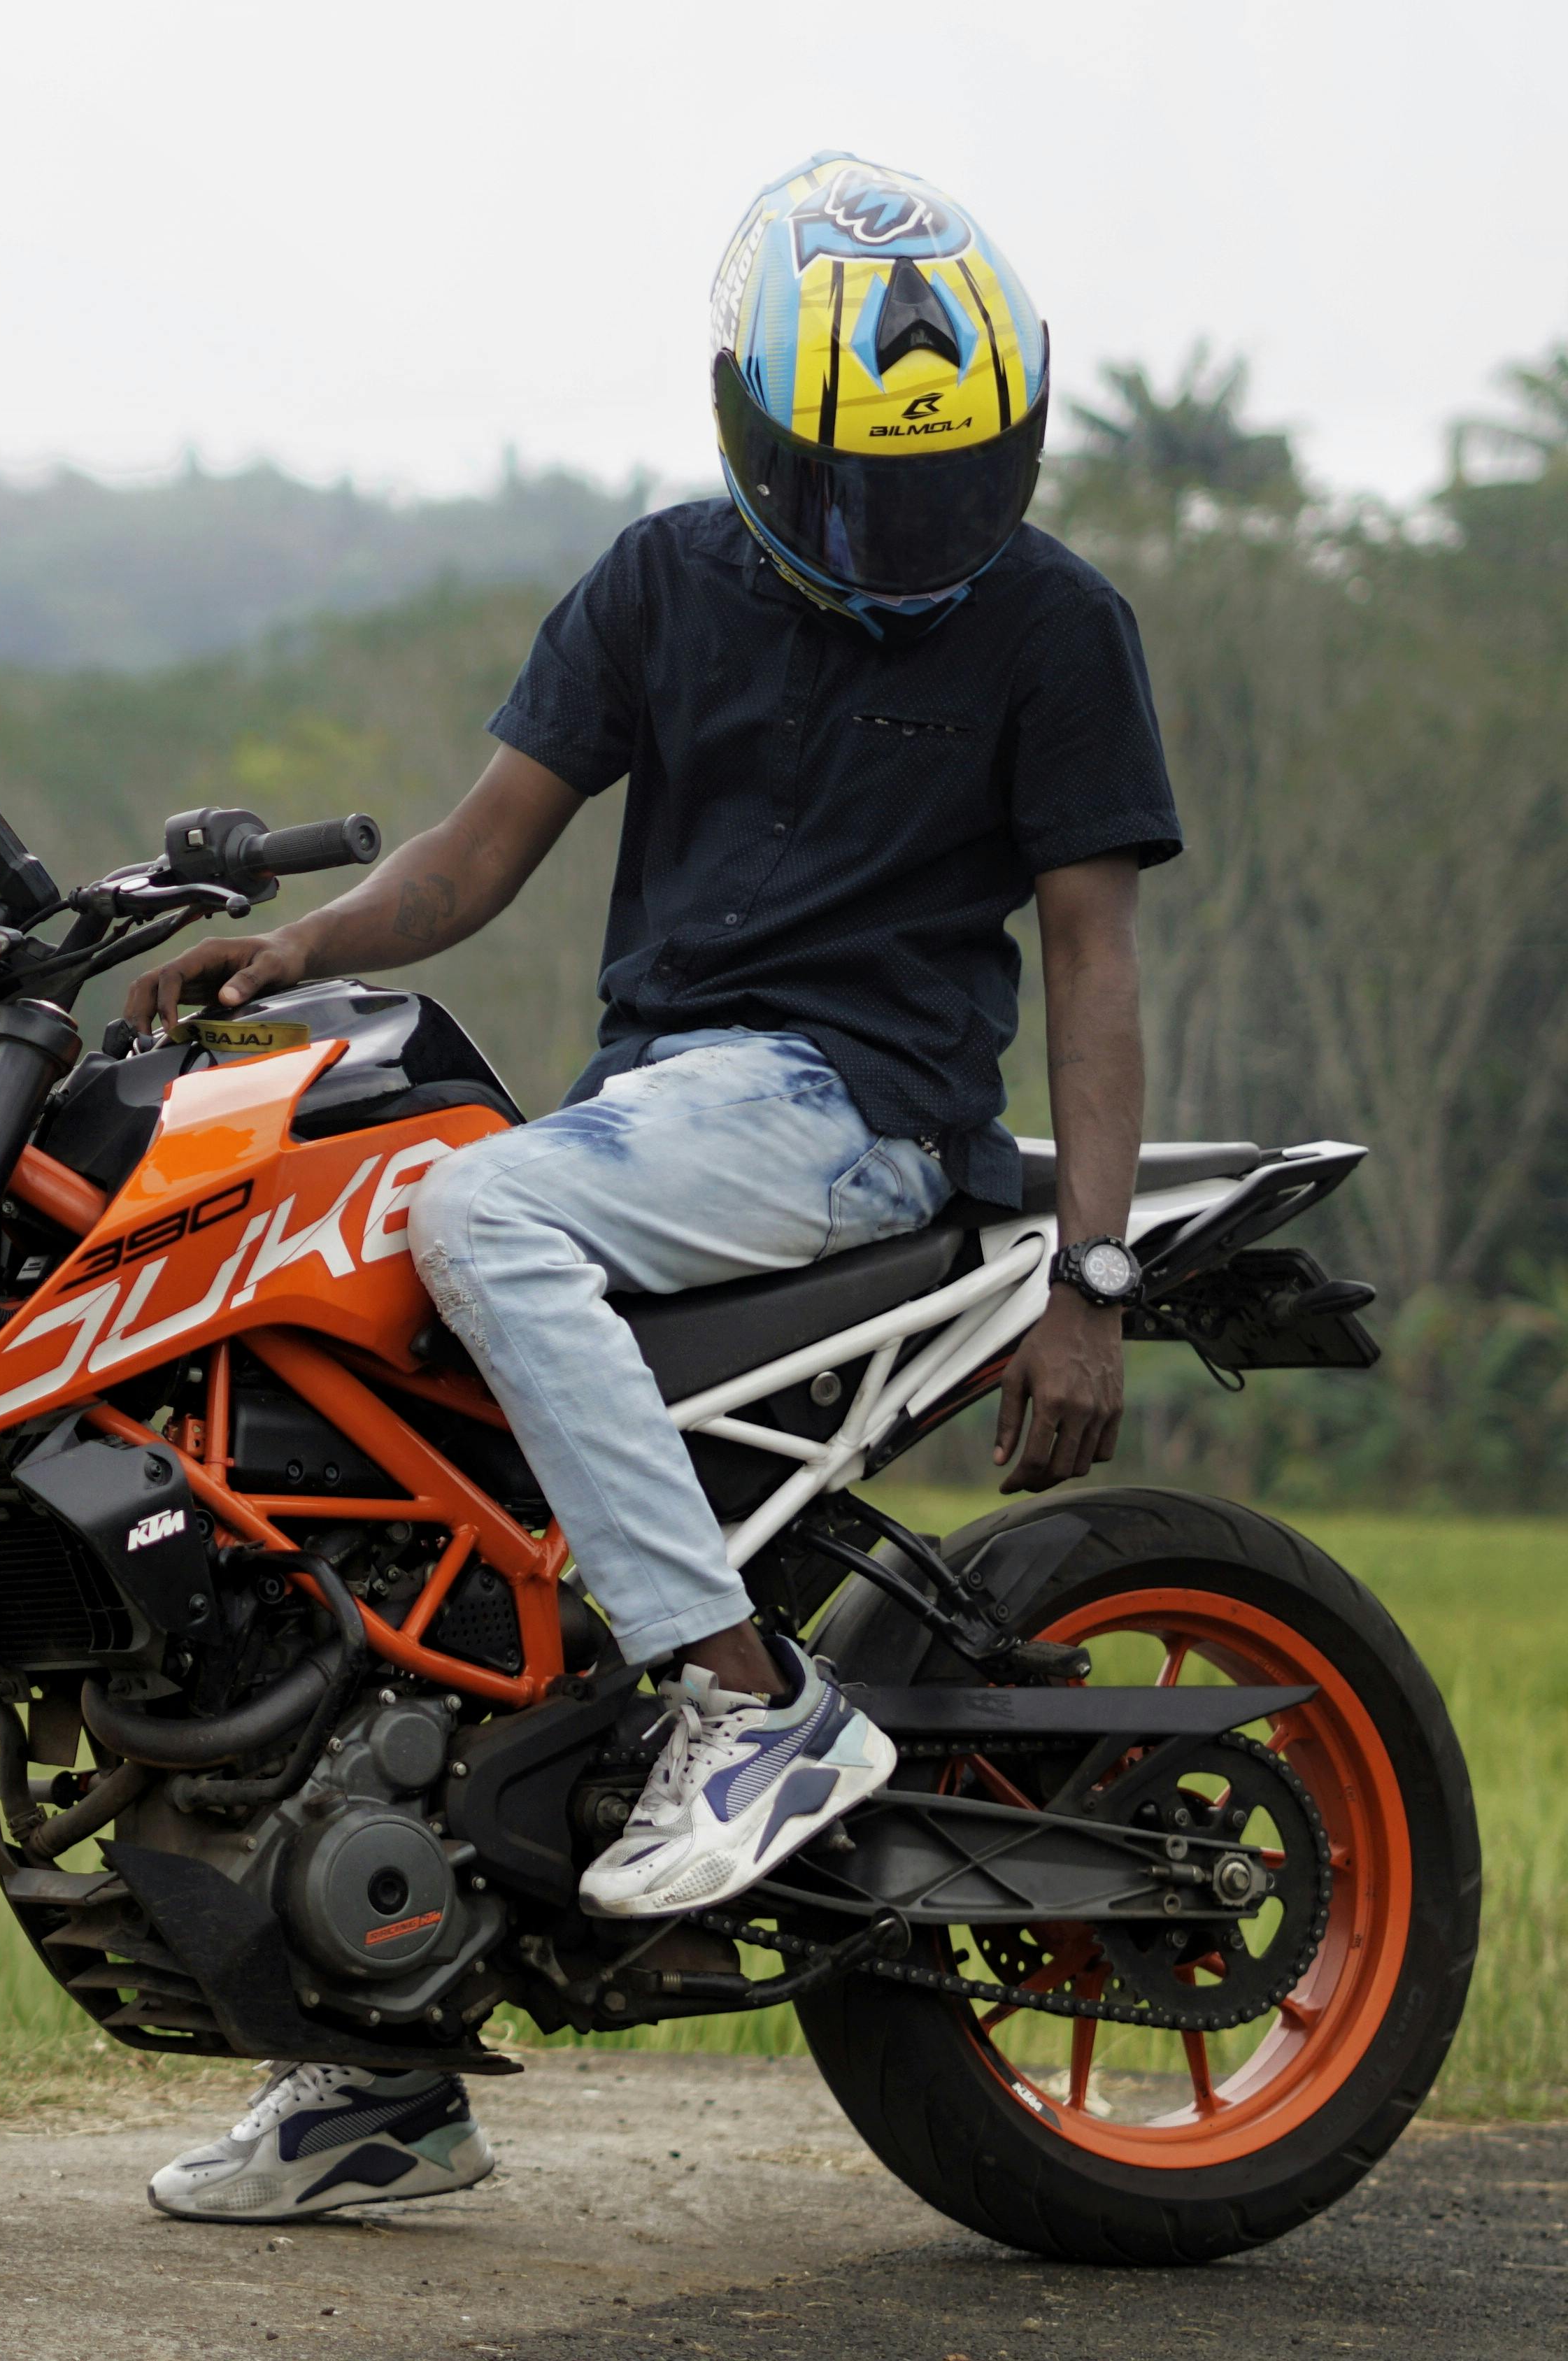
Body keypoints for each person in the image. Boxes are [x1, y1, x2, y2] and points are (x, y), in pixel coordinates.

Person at [131, 152, 1181, 2224]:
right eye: (861, 489)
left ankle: (748, 1703)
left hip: (856, 1106)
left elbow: (1093, 963)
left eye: (954, 485)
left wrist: (1100, 1275)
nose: (909, 536)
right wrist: (299, 955)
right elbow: (475, 852)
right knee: (377, 1445)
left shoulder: (1058, 625)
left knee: (479, 1214)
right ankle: (387, 2069)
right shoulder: (657, 582)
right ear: (749, 432)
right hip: (674, 1103)